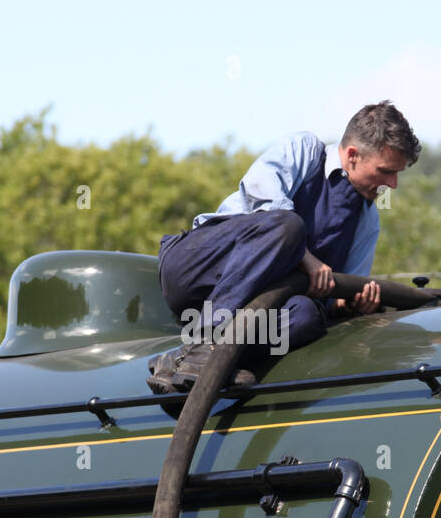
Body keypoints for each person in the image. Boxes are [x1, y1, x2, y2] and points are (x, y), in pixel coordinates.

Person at [147, 100, 421, 393]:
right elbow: (265, 206)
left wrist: (349, 304)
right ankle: (206, 341)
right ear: (352, 156)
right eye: (386, 171)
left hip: (258, 305)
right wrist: (308, 260)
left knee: (307, 316)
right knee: (287, 226)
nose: (392, 184)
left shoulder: (367, 220)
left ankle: (198, 361)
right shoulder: (303, 149)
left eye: (396, 175)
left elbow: (339, 289)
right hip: (197, 268)